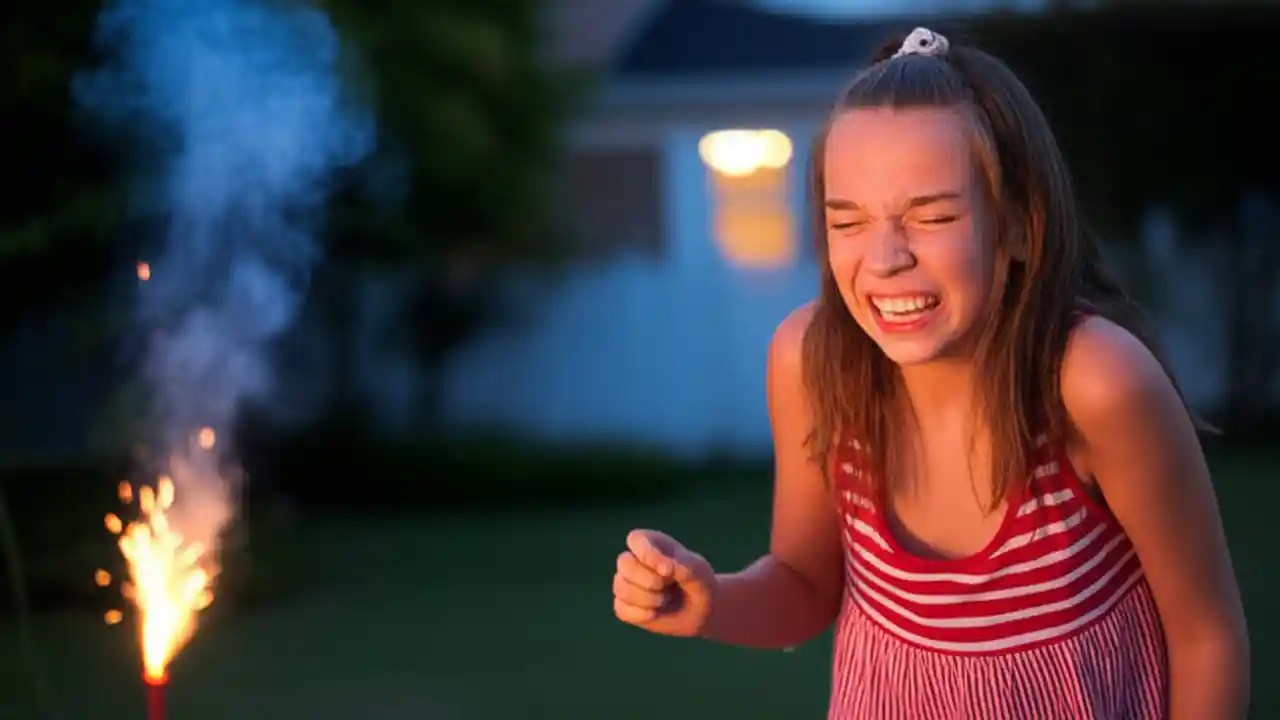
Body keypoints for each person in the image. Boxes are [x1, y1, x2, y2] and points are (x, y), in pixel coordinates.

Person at [610, 27, 1249, 719]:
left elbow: (1206, 637)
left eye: (933, 216)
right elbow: (804, 585)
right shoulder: (813, 363)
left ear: (1017, 226)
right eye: (848, 223)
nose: (885, 259)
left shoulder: (1094, 382)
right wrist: (712, 600)